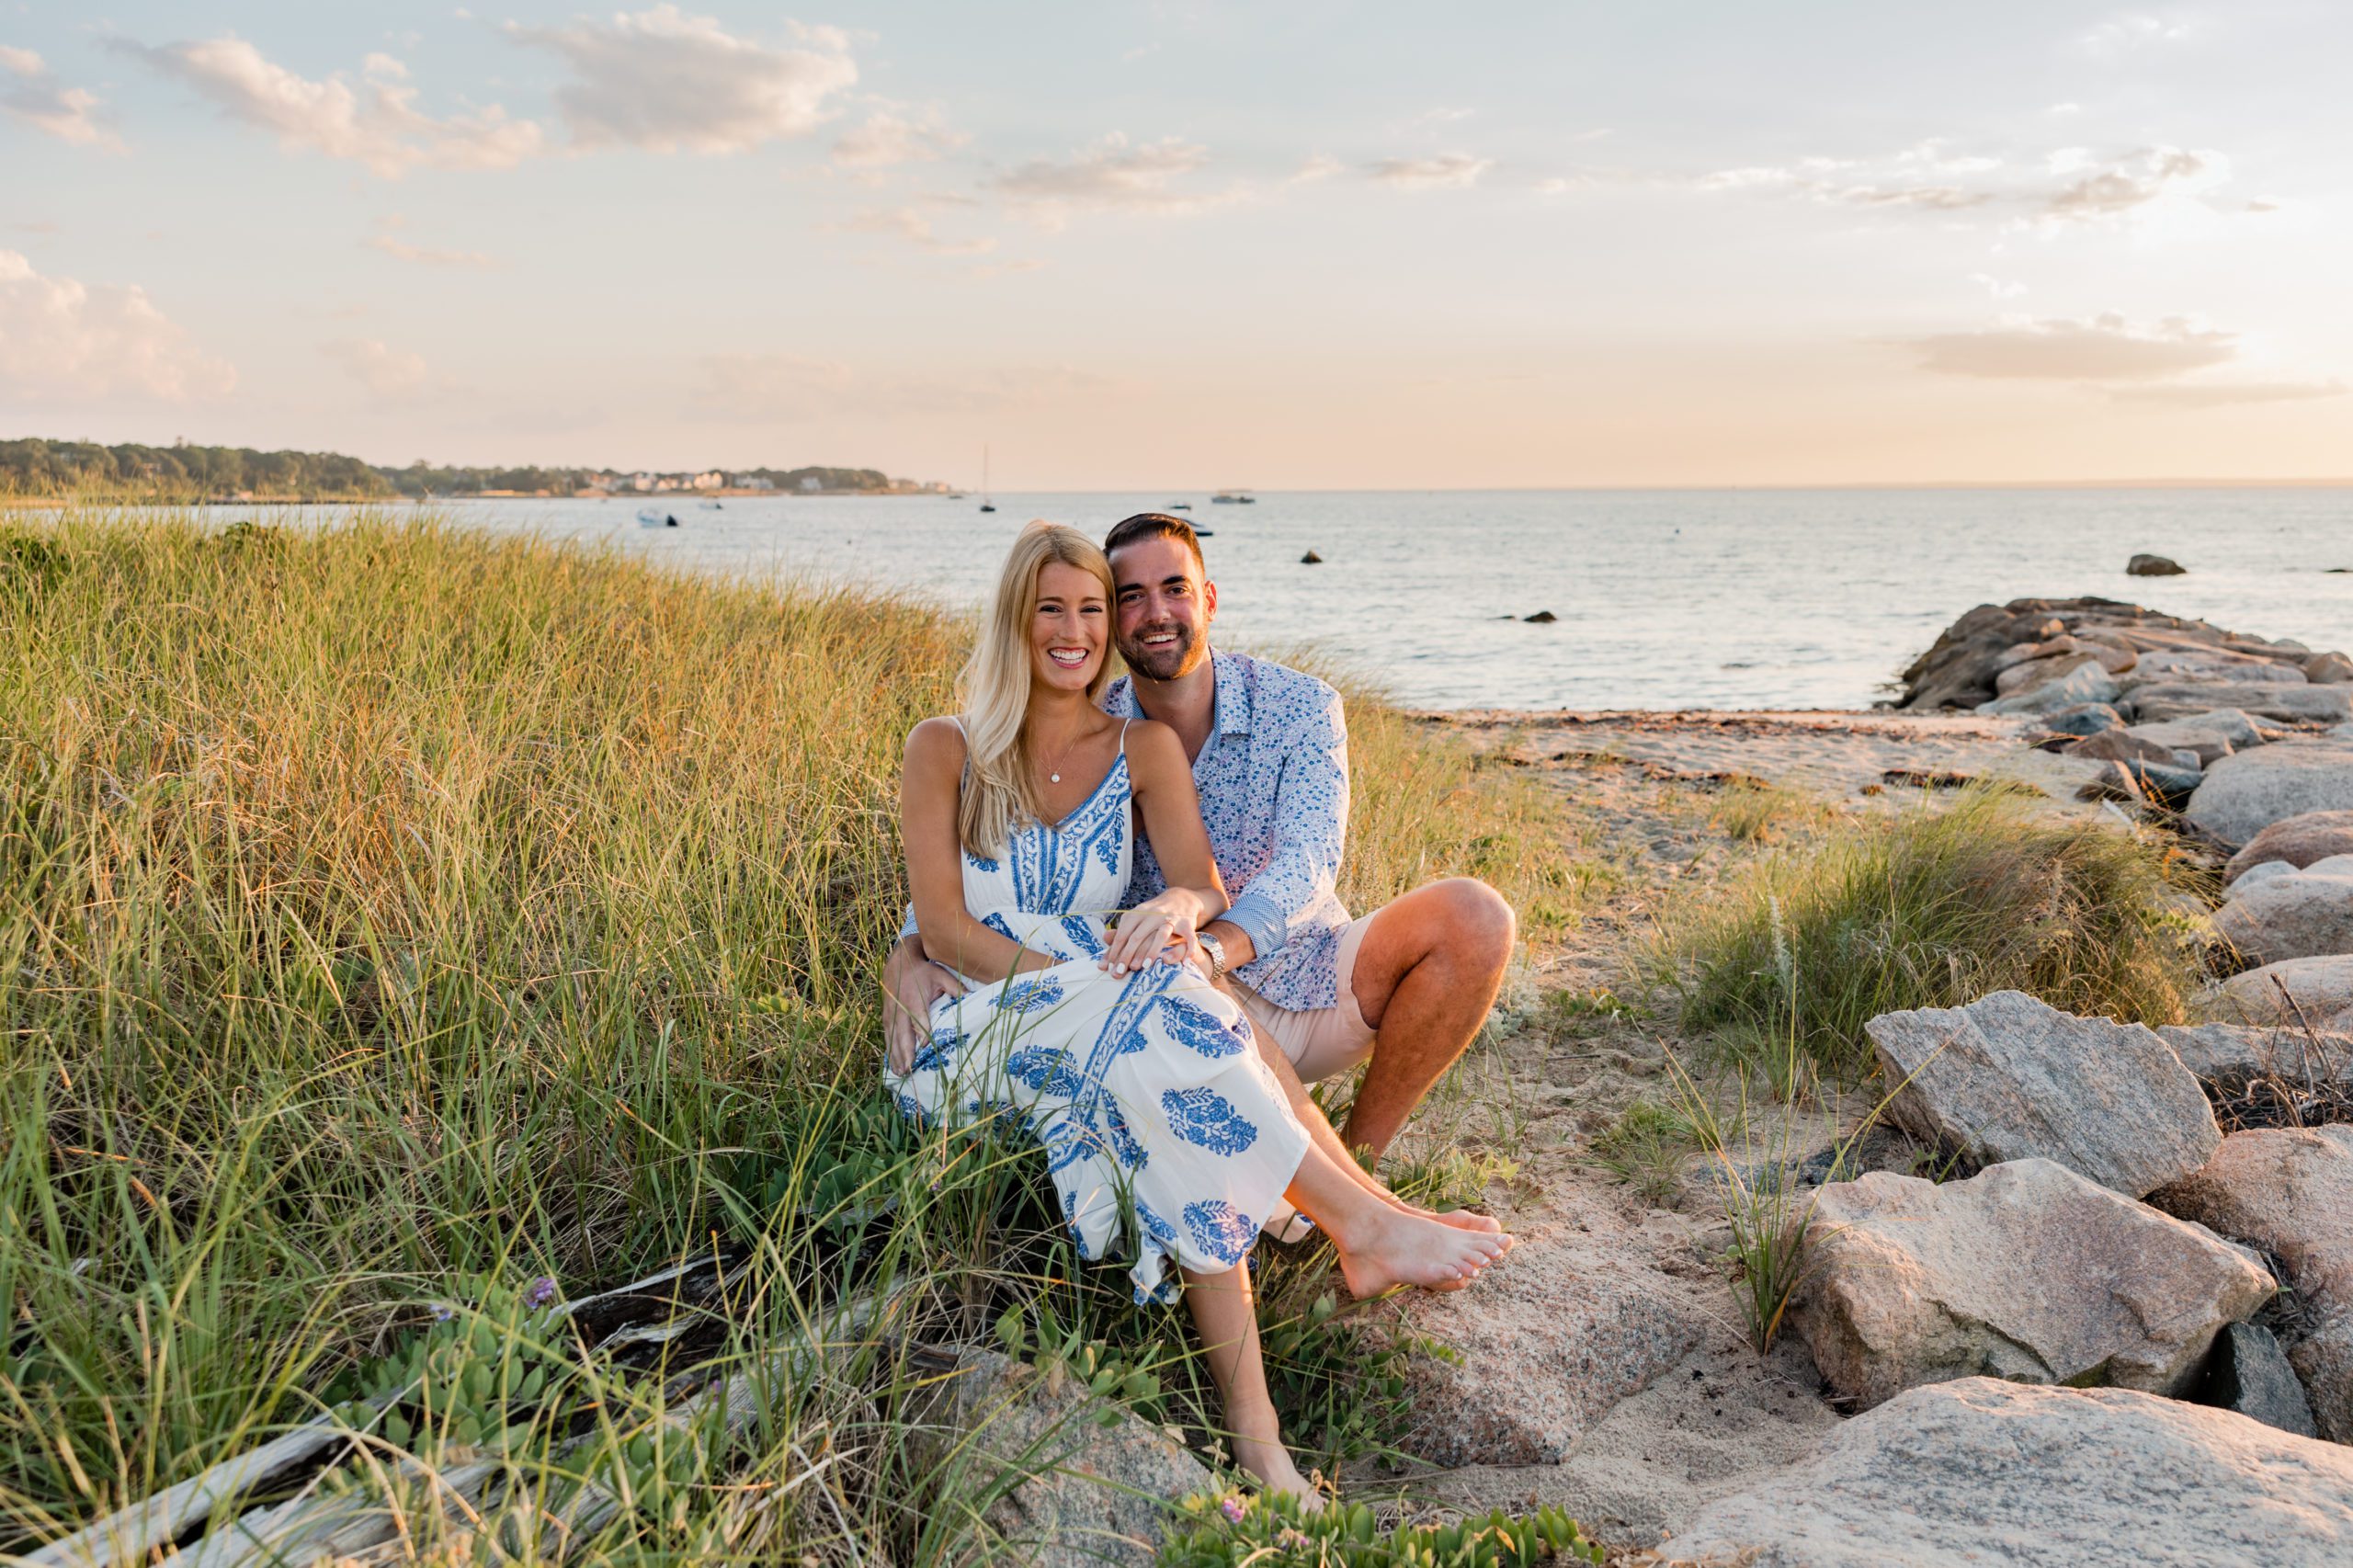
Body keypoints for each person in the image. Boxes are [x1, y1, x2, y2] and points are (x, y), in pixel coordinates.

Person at [888, 520, 1511, 1501]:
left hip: (1167, 1001)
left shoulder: (1142, 742)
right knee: (1168, 1022)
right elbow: (944, 922)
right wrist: (920, 960)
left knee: (1171, 1059)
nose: (1086, 626)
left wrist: (1182, 917)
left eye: (1095, 607)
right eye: (1063, 605)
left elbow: (1209, 882)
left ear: (1206, 596)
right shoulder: (945, 746)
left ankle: (1261, 1434)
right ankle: (1357, 1229)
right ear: (1014, 615)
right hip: (982, 1026)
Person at [886, 512, 1516, 1181]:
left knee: (1475, 916)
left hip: (1292, 982)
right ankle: (1317, 1207)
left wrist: (1214, 949)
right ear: (1112, 620)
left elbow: (1307, 864)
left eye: (1175, 588)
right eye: (1131, 596)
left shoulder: (1299, 707)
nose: (1156, 612)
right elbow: (1003, 864)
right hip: (1142, 1005)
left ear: (1208, 599)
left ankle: (1361, 1163)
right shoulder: (1084, 719)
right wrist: (909, 952)